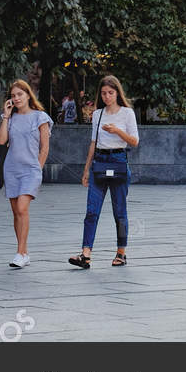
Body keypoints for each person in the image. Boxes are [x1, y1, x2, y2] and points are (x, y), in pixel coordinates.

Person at [68, 75, 140, 270]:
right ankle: (85, 254)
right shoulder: (98, 114)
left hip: (118, 160)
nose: (107, 96)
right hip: (99, 162)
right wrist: (86, 170)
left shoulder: (127, 113)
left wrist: (117, 131)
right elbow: (93, 143)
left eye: (110, 93)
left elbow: (134, 141)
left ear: (117, 93)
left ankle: (121, 252)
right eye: (103, 93)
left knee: (120, 212)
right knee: (92, 210)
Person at [0, 80, 52, 268]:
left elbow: (45, 148)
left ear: (28, 95)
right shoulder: (10, 117)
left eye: (20, 94)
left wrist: (38, 168)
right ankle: (24, 252)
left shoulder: (40, 117)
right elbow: (1, 140)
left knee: (22, 208)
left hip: (31, 170)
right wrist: (6, 116)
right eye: (13, 95)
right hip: (12, 169)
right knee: (16, 212)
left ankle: (20, 253)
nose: (16, 98)